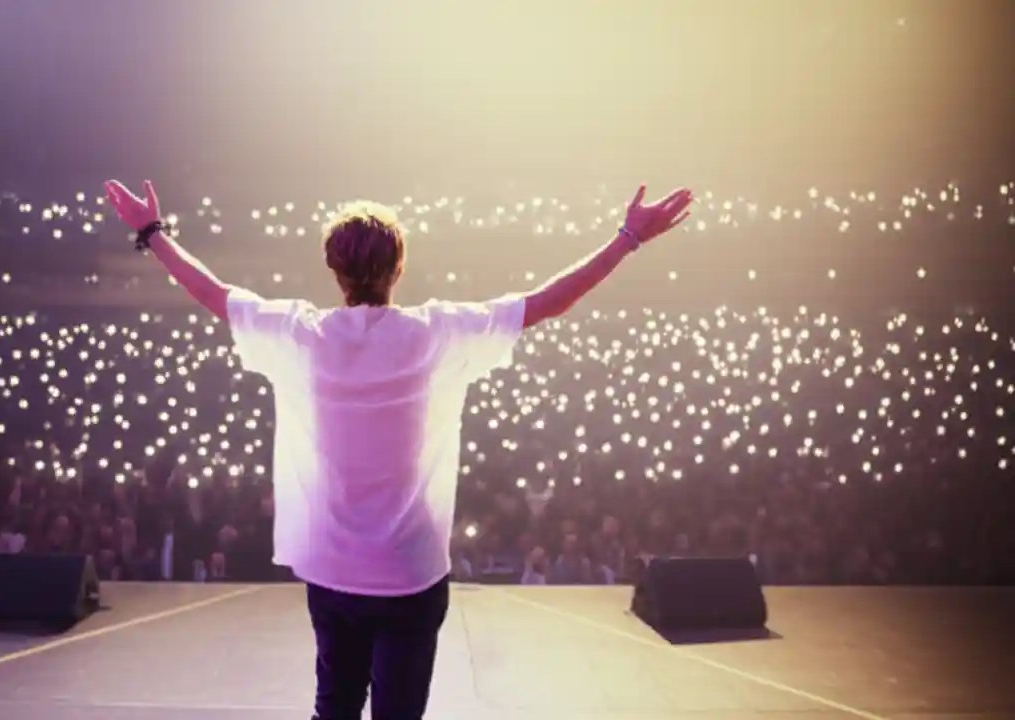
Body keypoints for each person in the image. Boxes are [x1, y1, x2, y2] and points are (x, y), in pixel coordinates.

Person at [104, 179, 693, 720]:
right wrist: (627, 238)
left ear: (334, 269)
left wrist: (152, 233)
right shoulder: (436, 334)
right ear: (399, 267)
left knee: (334, 709)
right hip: (410, 574)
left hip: (334, 572)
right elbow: (547, 301)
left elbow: (213, 293)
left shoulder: (301, 336)